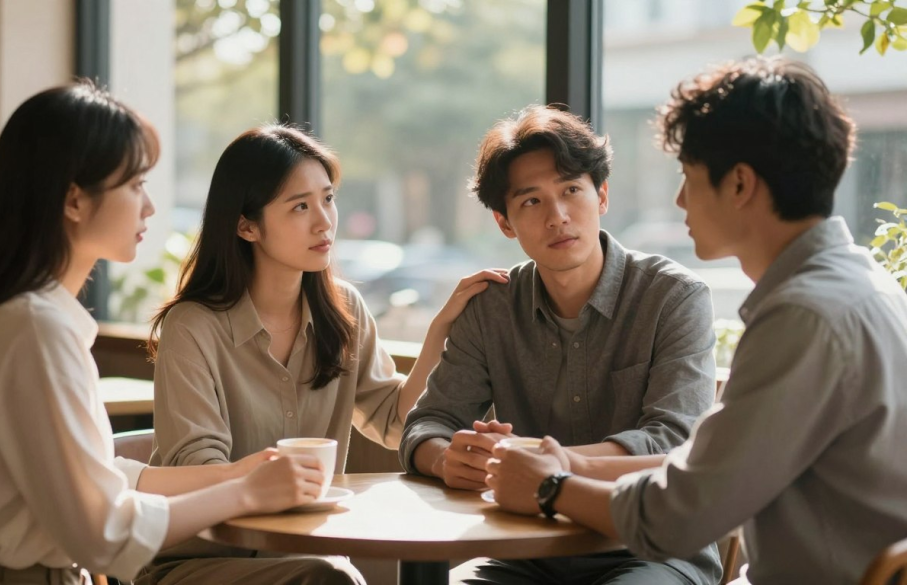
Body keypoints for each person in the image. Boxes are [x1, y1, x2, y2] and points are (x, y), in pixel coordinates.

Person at [485, 56, 907, 585]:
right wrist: (571, 466)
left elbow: (675, 519)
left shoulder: (804, 317)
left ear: (739, 184)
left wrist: (549, 489)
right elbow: (710, 469)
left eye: (688, 177)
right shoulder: (861, 283)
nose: (680, 199)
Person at [0, 83, 329, 585]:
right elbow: (103, 532)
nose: (148, 207)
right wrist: (247, 493)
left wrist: (236, 472)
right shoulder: (35, 330)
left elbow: (95, 479)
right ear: (74, 200)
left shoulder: (21, 318)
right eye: (135, 185)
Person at [144, 124, 506, 584]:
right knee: (331, 577)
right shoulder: (193, 326)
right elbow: (199, 469)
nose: (324, 221)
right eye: (300, 206)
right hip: (197, 563)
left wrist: (440, 332)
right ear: (246, 225)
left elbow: (395, 421)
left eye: (328, 198)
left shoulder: (343, 310)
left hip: (302, 557)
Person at [398, 104, 721, 584]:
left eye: (571, 190)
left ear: (602, 195)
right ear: (505, 222)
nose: (558, 217)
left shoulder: (673, 297)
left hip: (650, 550)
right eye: (531, 201)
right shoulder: (491, 307)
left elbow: (675, 441)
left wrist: (541, 465)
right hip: (524, 554)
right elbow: (426, 424)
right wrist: (447, 459)